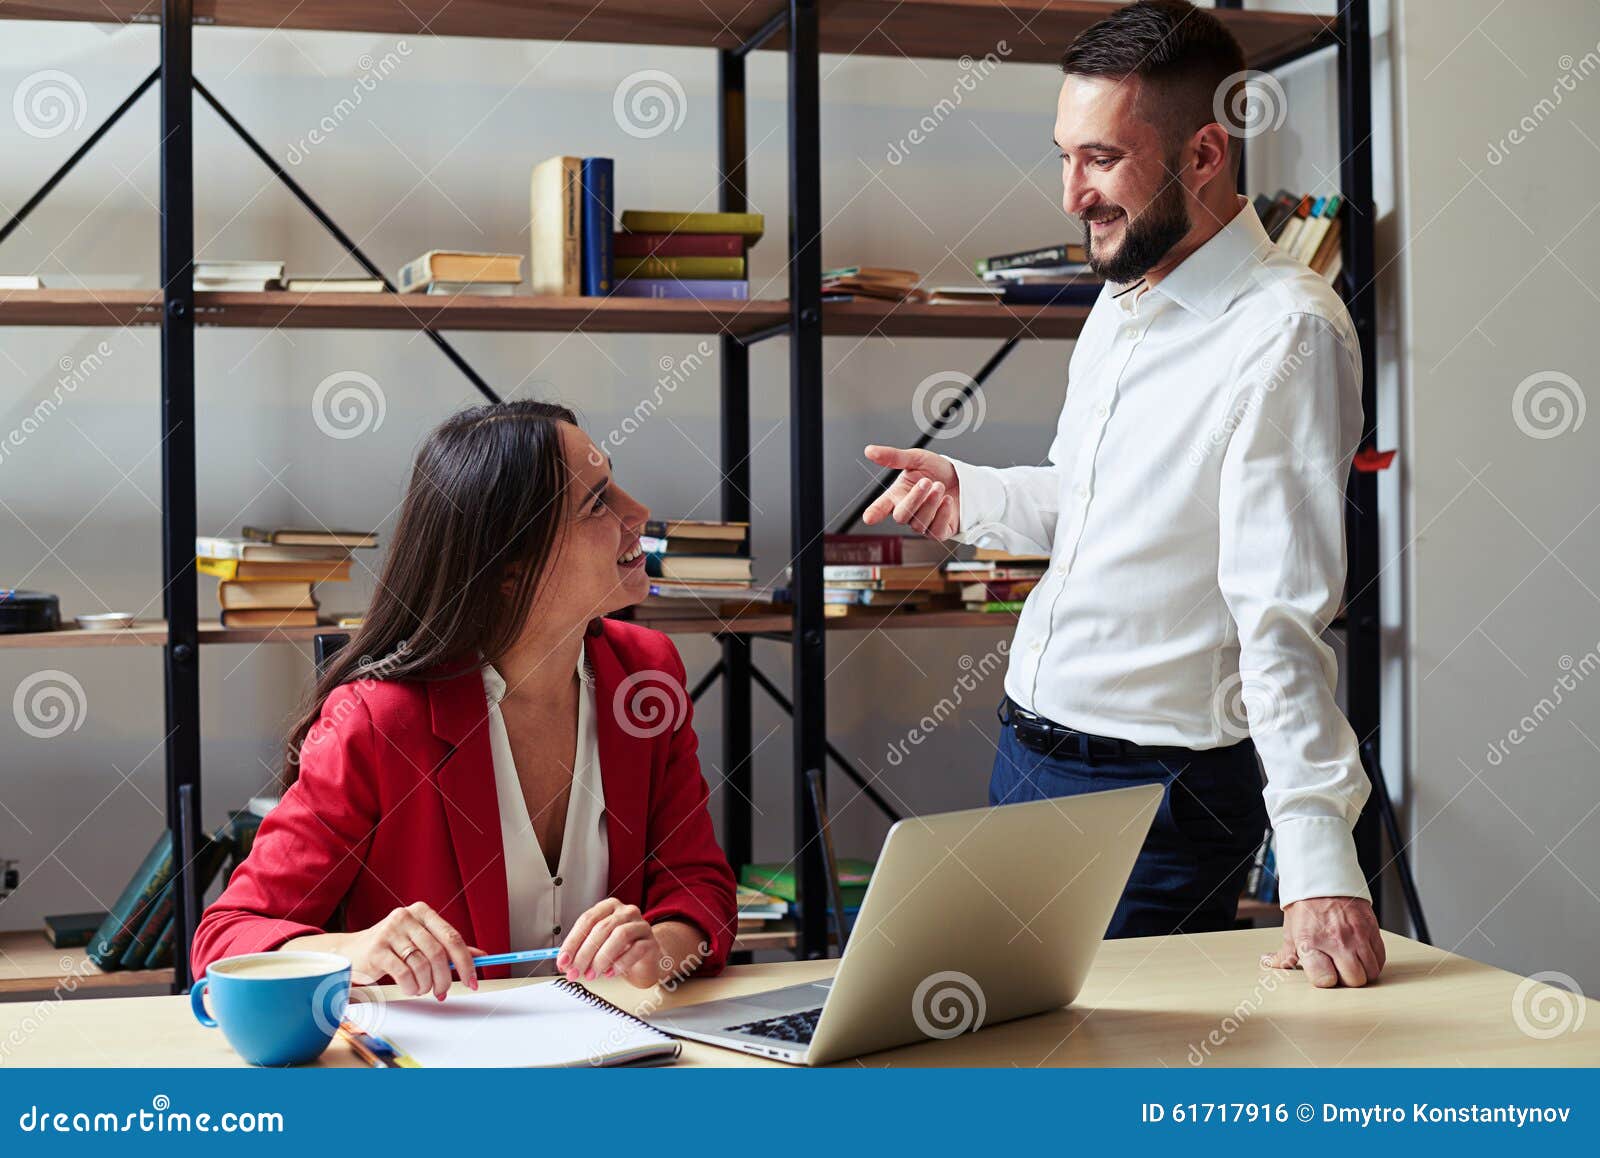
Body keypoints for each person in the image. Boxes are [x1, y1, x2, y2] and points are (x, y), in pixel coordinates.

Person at [862, 0, 1384, 988]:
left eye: (1099, 159)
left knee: (1102, 1087)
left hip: (1157, 797)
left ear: (1202, 155)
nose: (1070, 195)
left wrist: (1317, 863)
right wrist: (969, 494)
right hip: (1027, 755)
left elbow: (1278, 614)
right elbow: (1093, 504)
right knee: (1000, 1056)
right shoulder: (1124, 294)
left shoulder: (1285, 334)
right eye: (1063, 156)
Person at [192, 400, 737, 998]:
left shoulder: (645, 674)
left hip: (623, 1057)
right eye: (598, 502)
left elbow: (698, 884)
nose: (639, 512)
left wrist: (658, 949)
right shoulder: (375, 720)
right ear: (508, 566)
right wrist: (355, 948)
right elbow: (226, 935)